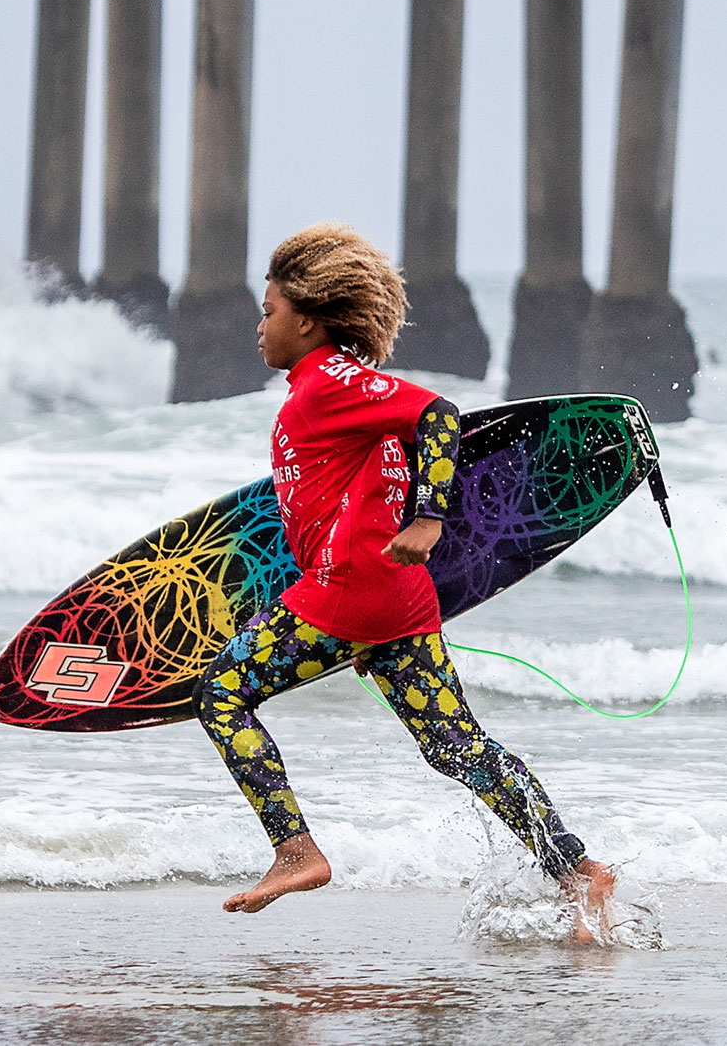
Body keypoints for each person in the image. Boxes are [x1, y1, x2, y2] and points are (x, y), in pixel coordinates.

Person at [194, 222, 616, 941]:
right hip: (384, 599)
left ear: (308, 319)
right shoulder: (329, 390)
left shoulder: (328, 380)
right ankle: (577, 871)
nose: (258, 326)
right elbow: (346, 499)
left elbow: (440, 416)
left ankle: (296, 849)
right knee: (457, 746)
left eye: (268, 312)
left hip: (355, 590)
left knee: (221, 691)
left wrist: (430, 517)